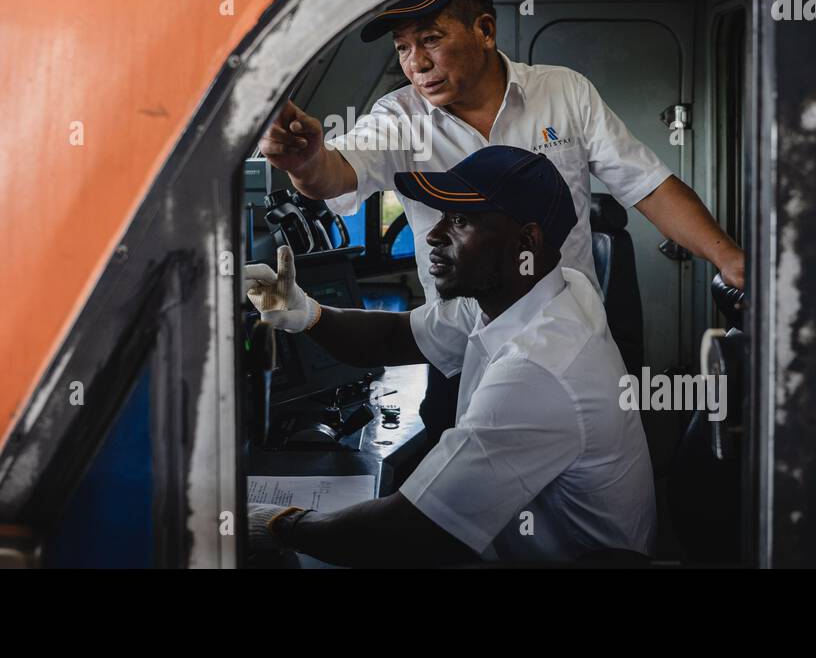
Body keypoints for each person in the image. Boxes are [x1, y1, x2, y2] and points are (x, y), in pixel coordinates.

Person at [259, 0, 743, 443]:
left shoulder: (564, 93)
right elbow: (336, 173)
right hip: (461, 347)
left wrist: (728, 259)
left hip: (567, 343)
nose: (416, 63)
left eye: (431, 39)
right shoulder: (397, 117)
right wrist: (304, 162)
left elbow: (647, 185)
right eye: (403, 48)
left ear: (485, 31)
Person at [245, 146, 655, 566]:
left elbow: (412, 532)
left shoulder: (538, 368)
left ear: (526, 241)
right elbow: (392, 336)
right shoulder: (548, 287)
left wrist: (277, 523)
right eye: (442, 216)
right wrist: (306, 313)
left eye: (460, 220)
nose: (434, 235)